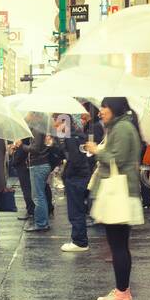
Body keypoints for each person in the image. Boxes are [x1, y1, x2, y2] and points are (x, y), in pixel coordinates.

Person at [87, 97, 142, 300]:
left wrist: (97, 151)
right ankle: (122, 291)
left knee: (118, 245)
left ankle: (122, 296)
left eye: (104, 106)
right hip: (121, 191)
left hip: (119, 193)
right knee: (118, 244)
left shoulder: (122, 128)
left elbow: (116, 158)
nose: (101, 111)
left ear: (115, 108)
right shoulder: (120, 126)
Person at [58, 107, 97, 253]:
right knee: (78, 209)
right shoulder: (77, 135)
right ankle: (79, 239)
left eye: (58, 123)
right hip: (81, 175)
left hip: (76, 177)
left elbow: (74, 159)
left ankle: (79, 241)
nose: (56, 126)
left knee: (75, 210)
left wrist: (66, 174)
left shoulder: (70, 137)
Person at [23, 127, 62, 234]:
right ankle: (42, 222)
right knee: (40, 195)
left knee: (38, 196)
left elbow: (35, 149)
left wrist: (21, 146)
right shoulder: (43, 128)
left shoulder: (37, 129)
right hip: (43, 165)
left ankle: (41, 224)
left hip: (38, 165)